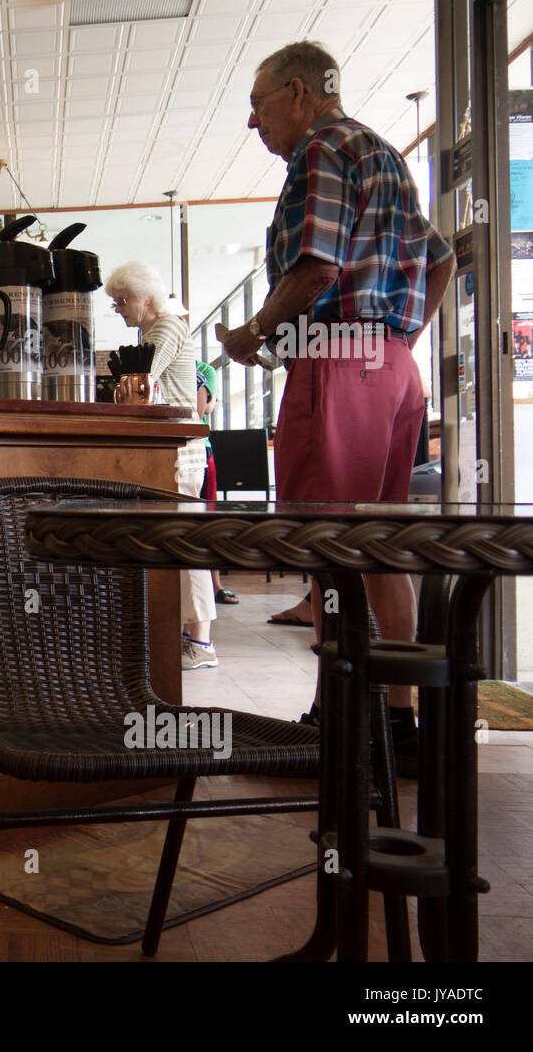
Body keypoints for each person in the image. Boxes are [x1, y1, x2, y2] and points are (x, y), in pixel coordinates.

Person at [219, 41, 456, 775]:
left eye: (257, 105)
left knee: (325, 548)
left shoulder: (321, 149)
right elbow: (443, 258)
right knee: (377, 544)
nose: (252, 123)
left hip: (337, 367)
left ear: (297, 91)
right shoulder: (384, 155)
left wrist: (253, 331)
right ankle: (398, 723)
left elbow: (318, 264)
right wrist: (394, 343)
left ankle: (337, 717)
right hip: (391, 372)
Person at [106, 262, 217, 669]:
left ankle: (201, 644)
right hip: (174, 453)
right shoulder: (154, 331)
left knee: (186, 543)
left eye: (123, 300)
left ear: (146, 298)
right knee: (177, 543)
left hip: (182, 454)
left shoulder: (166, 327)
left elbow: (143, 380)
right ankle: (187, 637)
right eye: (114, 302)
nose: (118, 308)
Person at [195, 361, 238, 605]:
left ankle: (216, 584)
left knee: (208, 516)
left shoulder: (203, 370)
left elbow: (206, 409)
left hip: (201, 447)